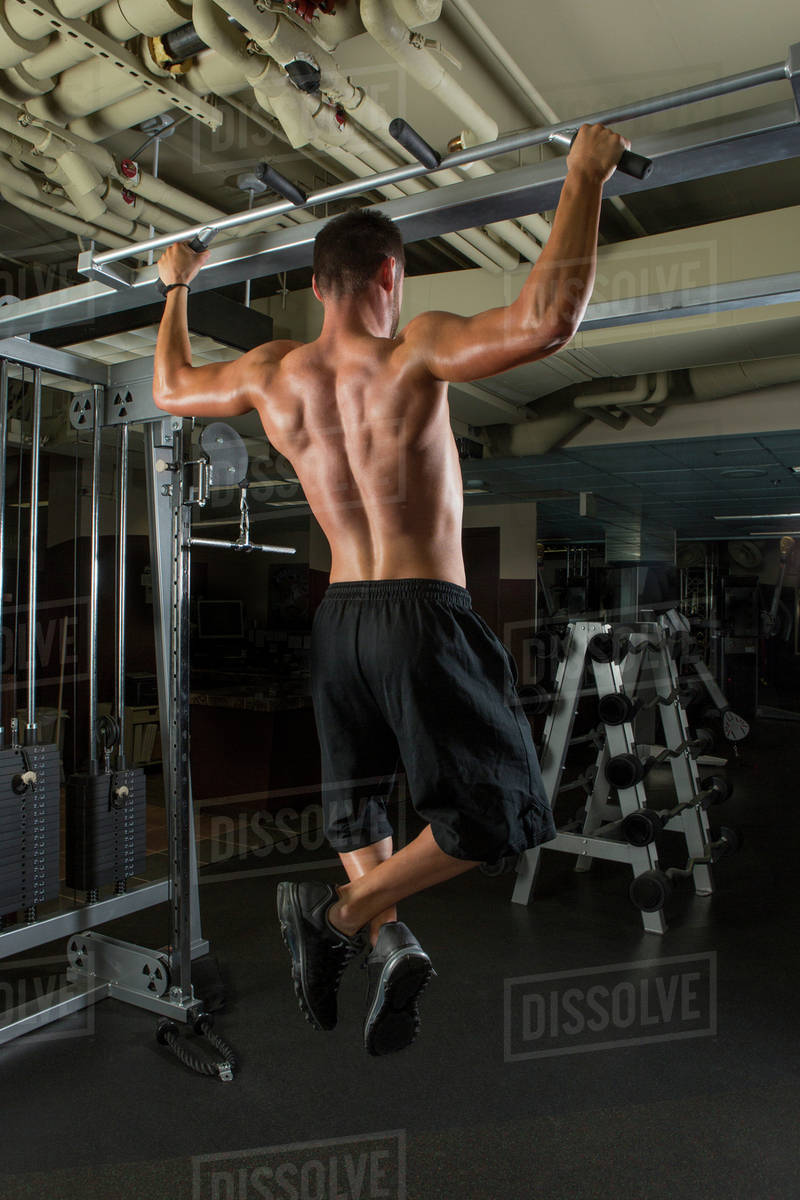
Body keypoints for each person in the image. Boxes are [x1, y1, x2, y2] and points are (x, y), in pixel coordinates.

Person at [153, 122, 630, 1056]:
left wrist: (176, 286)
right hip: (421, 612)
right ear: (387, 279)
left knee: (357, 807)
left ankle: (390, 936)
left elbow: (169, 386)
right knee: (501, 812)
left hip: (339, 622)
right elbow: (547, 323)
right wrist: (583, 176)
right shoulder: (413, 353)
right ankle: (340, 916)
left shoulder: (270, 374)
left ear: (317, 286)